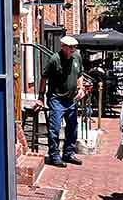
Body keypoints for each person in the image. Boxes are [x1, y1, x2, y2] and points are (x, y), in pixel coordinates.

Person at [34, 35, 86, 167]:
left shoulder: (77, 57)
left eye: (74, 47)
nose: (72, 50)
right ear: (63, 47)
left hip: (72, 99)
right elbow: (44, 78)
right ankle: (54, 155)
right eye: (70, 48)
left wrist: (81, 89)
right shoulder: (54, 60)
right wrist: (40, 97)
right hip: (56, 98)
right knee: (55, 128)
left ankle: (68, 153)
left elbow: (80, 74)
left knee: (73, 127)